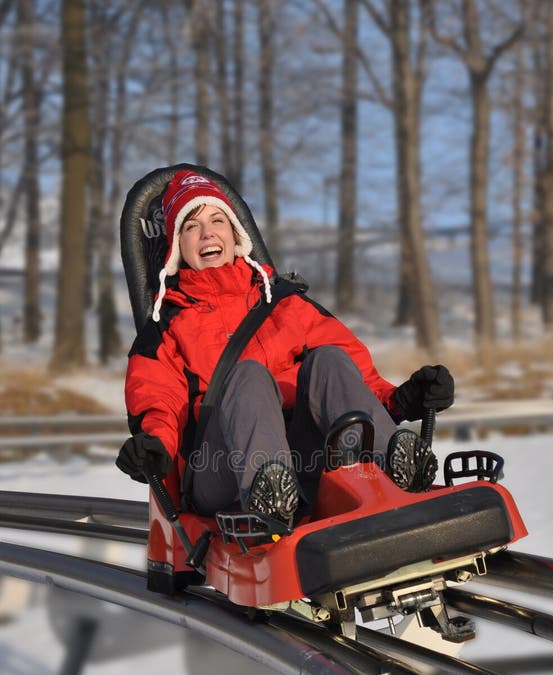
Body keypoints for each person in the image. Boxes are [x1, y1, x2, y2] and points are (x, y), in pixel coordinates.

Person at [116, 169, 454, 526]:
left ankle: (398, 469)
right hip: (221, 470)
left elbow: (352, 375)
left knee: (329, 359)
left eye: (218, 219)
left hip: (306, 459)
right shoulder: (166, 328)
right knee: (247, 375)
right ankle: (270, 497)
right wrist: (154, 447)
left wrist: (403, 399)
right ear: (177, 247)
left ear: (234, 234)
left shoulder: (284, 303)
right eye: (190, 226)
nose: (207, 232)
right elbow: (158, 402)